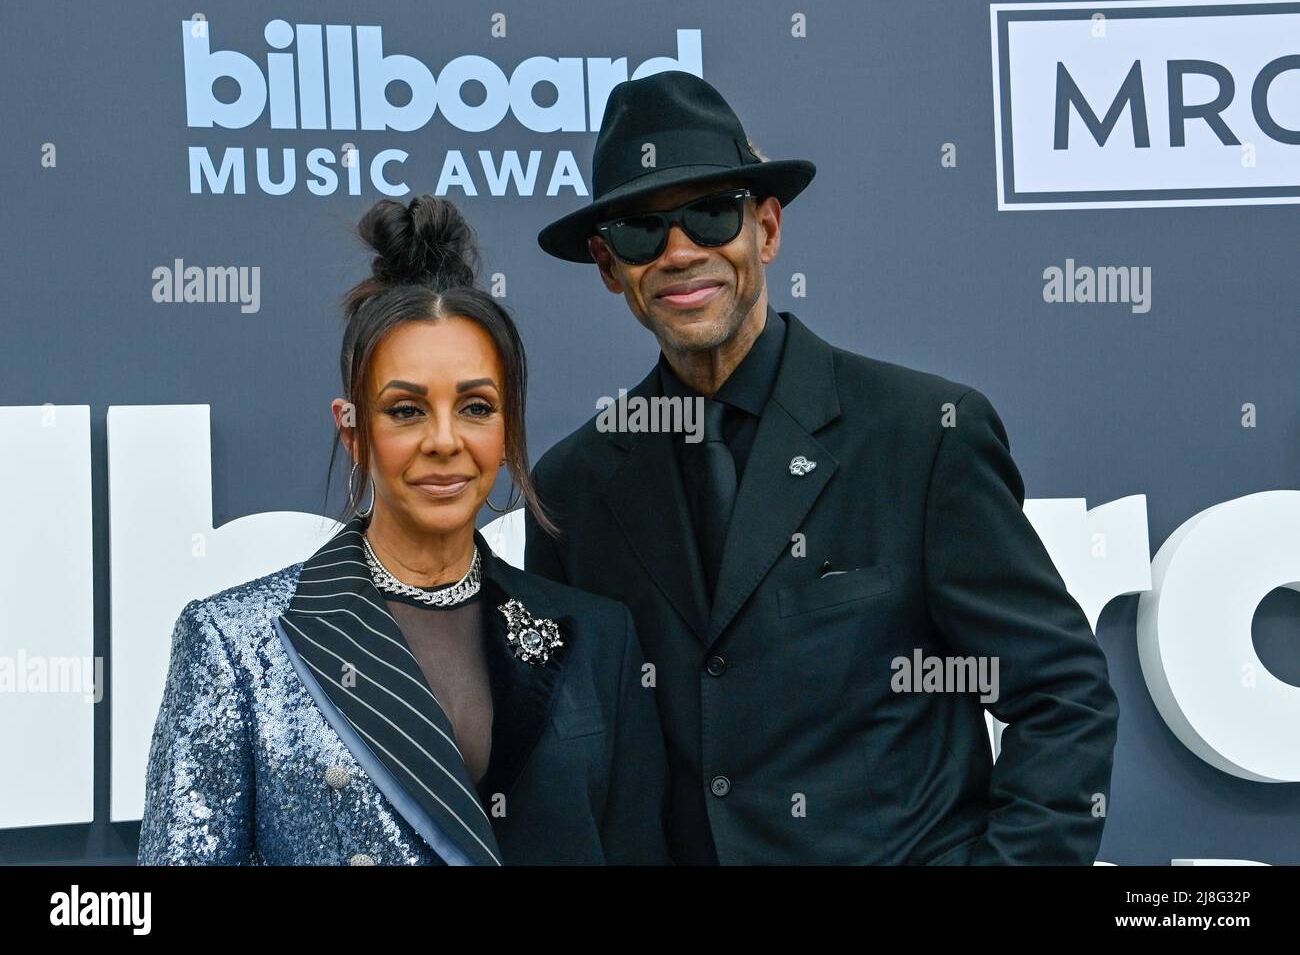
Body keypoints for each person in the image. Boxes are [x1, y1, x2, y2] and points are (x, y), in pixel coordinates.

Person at [525, 70, 1120, 865]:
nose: (680, 252)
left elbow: (1063, 696)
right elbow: (580, 759)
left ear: (765, 229)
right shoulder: (575, 487)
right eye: (640, 230)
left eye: (710, 214)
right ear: (607, 265)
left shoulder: (923, 435)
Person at [138, 194, 671, 866]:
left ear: (507, 428)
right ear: (352, 430)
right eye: (406, 410)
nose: (444, 441)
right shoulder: (235, 644)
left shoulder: (599, 639)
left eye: (475, 407)